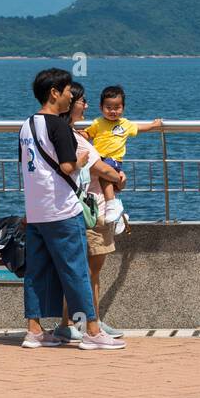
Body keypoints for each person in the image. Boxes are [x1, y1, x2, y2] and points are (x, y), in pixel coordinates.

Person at [19, 68, 125, 351]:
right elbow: (67, 166)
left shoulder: (27, 125)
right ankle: (92, 330)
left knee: (36, 272)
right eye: (68, 91)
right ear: (54, 93)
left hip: (37, 210)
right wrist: (80, 160)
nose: (71, 96)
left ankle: (35, 331)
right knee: (76, 270)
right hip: (63, 210)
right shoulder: (59, 127)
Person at [53, 82, 129, 344]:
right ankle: (91, 324)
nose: (85, 106)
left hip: (71, 206)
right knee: (91, 271)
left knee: (78, 269)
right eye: (82, 101)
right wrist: (118, 177)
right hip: (92, 208)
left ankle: (69, 323)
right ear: (69, 103)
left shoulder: (62, 133)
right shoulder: (74, 138)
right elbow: (101, 169)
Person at [84, 85, 163, 231]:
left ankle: (112, 205)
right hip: (99, 158)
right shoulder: (98, 122)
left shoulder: (125, 124)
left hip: (113, 159)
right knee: (102, 186)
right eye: (108, 107)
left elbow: (139, 128)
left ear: (123, 108)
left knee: (104, 177)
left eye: (117, 107)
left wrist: (154, 125)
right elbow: (89, 134)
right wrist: (79, 133)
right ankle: (119, 217)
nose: (113, 111)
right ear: (101, 107)